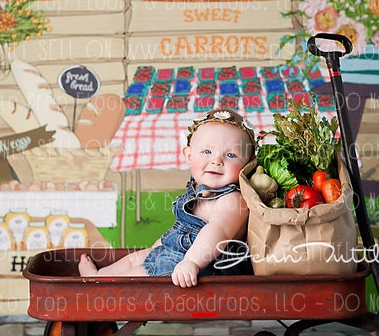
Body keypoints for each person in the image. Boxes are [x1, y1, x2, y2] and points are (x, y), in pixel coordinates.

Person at [78, 108, 256, 287]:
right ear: (189, 156)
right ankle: (99, 275)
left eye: (231, 155)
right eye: (207, 152)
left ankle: (101, 289)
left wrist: (192, 262)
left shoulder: (233, 200)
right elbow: (182, 228)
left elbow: (219, 232)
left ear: (248, 164)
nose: (217, 161)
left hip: (202, 266)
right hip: (173, 252)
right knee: (136, 258)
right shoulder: (197, 189)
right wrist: (159, 245)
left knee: (141, 273)